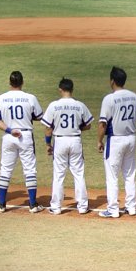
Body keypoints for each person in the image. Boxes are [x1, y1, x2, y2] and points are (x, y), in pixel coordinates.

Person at [0, 70, 43, 213]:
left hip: (9, 136)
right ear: (22, 82)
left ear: (9, 83)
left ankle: (1, 204)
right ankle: (32, 205)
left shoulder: (2, 98)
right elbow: (39, 116)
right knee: (29, 169)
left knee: (5, 169)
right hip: (25, 136)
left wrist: (9, 130)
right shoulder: (30, 98)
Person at [41, 78, 93, 215]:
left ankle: (56, 207)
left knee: (59, 175)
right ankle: (83, 206)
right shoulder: (79, 105)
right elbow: (88, 125)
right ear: (72, 89)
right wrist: (77, 128)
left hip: (60, 141)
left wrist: (48, 144)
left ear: (60, 89)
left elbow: (48, 128)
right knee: (78, 174)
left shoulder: (54, 105)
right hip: (75, 141)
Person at [98, 66, 136, 218]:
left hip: (115, 140)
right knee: (129, 174)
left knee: (112, 176)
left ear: (112, 81)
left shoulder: (109, 99)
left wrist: (99, 141)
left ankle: (113, 209)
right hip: (131, 138)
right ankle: (131, 207)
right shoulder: (134, 97)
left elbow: (102, 124)